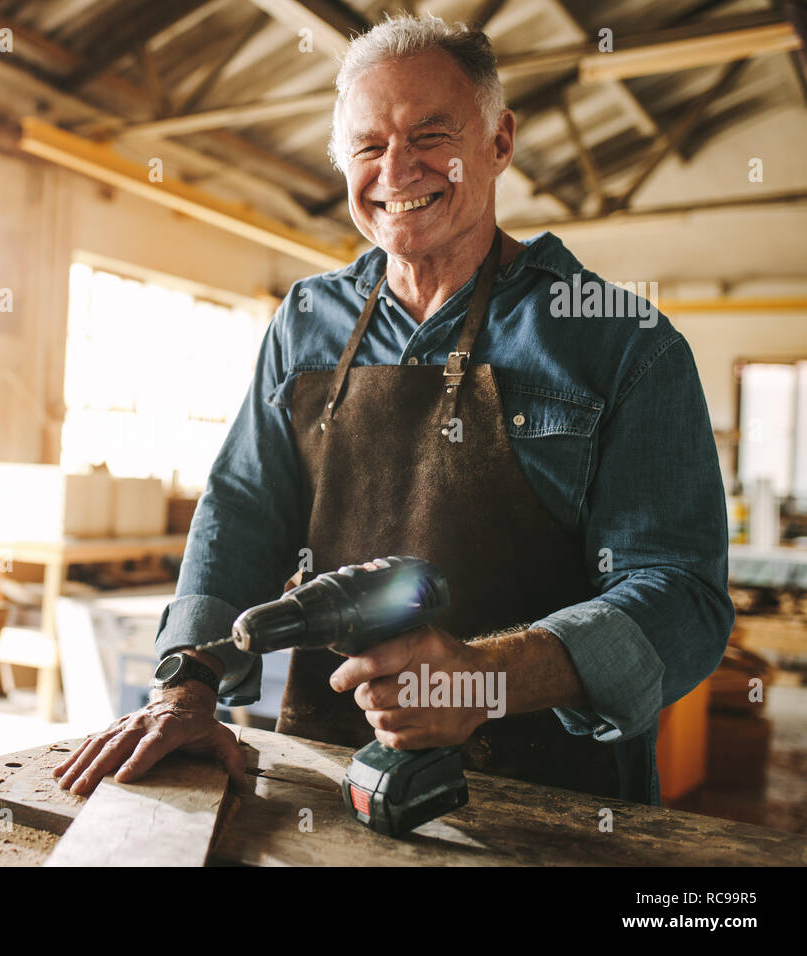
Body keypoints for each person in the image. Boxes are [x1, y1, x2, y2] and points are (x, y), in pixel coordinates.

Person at [54, 13, 733, 805]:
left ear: (500, 142)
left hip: (557, 805)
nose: (396, 169)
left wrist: (479, 682)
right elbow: (241, 515)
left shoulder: (621, 341)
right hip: (331, 779)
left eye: (430, 135)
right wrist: (188, 685)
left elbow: (681, 597)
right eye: (369, 147)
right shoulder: (307, 321)